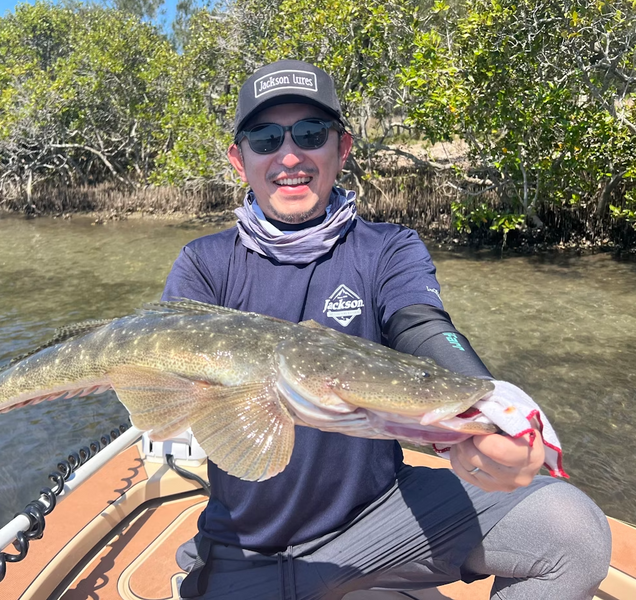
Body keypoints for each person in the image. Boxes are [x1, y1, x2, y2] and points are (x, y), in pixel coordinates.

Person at [161, 59, 611, 600]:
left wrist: (487, 413)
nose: (288, 156)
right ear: (240, 159)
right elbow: (170, 393)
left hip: (380, 520)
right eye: (264, 137)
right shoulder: (204, 263)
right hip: (242, 546)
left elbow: (423, 327)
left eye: (310, 133)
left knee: (573, 533)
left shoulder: (388, 248)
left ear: (341, 149)